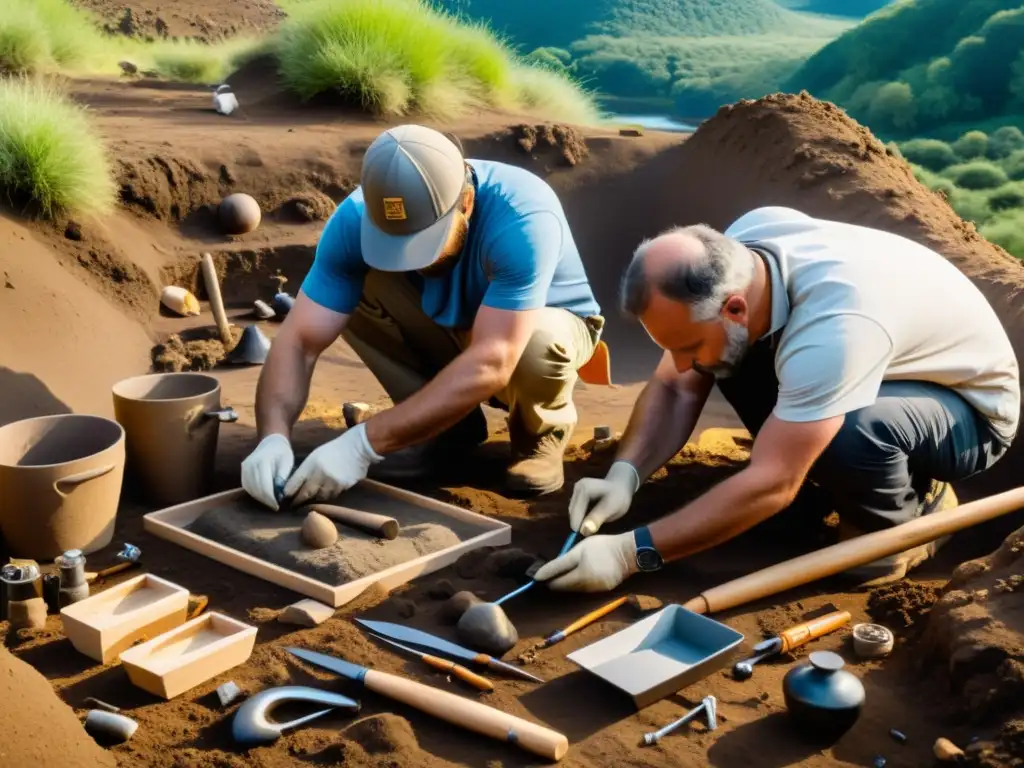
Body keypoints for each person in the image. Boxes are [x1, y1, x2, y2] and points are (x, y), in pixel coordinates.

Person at [533, 206, 1020, 593]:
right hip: (879, 363)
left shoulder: (835, 331)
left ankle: (907, 519)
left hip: (967, 413)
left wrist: (631, 553)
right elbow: (673, 384)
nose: (679, 363)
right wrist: (626, 473)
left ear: (736, 305)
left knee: (846, 436)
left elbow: (773, 485)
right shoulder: (745, 248)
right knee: (721, 355)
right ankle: (811, 450)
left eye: (684, 345)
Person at [240, 124, 604, 508]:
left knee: (537, 340)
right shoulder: (353, 219)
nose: (410, 259)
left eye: (422, 241)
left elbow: (494, 359)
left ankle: (538, 436)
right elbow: (298, 340)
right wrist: (273, 436)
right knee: (354, 286)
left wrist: (363, 445)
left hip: (533, 332)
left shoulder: (522, 214)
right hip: (448, 325)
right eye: (393, 244)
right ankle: (443, 434)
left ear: (464, 203)